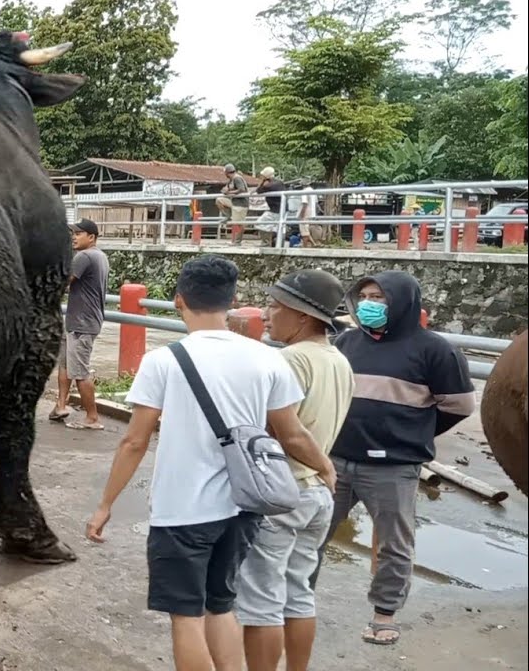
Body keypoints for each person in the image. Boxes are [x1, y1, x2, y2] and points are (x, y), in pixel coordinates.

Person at [85, 255, 336, 671]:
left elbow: (134, 441)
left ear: (178, 300)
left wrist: (105, 505)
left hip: (182, 512)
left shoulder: (164, 361)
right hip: (242, 508)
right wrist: (324, 467)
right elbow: (291, 433)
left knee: (186, 617)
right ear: (233, 301)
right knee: (220, 607)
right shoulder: (267, 358)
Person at [314, 271, 475, 645]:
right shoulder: (346, 342)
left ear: (402, 303)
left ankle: (384, 615)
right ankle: (294, 601)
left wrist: (413, 432)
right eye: (365, 296)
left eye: (379, 298)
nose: (369, 304)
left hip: (394, 467)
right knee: (311, 531)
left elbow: (460, 405)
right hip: (336, 460)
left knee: (394, 544)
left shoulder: (435, 351)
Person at [236, 270, 354, 671]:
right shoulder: (339, 360)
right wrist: (324, 468)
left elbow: (286, 432)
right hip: (318, 495)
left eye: (275, 306)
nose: (266, 314)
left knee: (261, 599)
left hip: (282, 492)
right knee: (299, 592)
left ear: (303, 316)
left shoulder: (288, 360)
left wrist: (321, 463)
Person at [49, 218, 109, 430]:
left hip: (82, 323)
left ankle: (92, 418)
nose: (73, 237)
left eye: (79, 234)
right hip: (81, 320)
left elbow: (63, 282)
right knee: (66, 365)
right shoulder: (100, 255)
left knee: (80, 372)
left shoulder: (84, 256)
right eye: (73, 233)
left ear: (91, 237)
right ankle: (60, 406)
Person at [214, 164, 251, 245]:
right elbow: (224, 189)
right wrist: (225, 191)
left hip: (241, 204)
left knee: (239, 223)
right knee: (219, 200)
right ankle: (228, 215)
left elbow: (242, 189)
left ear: (227, 172)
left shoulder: (237, 178)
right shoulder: (230, 180)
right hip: (234, 202)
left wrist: (230, 192)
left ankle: (237, 241)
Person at [254, 167, 286, 247]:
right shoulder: (279, 182)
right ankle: (274, 242)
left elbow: (258, 191)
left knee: (260, 223)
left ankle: (266, 242)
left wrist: (262, 182)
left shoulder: (270, 185)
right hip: (280, 209)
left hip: (276, 209)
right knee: (277, 226)